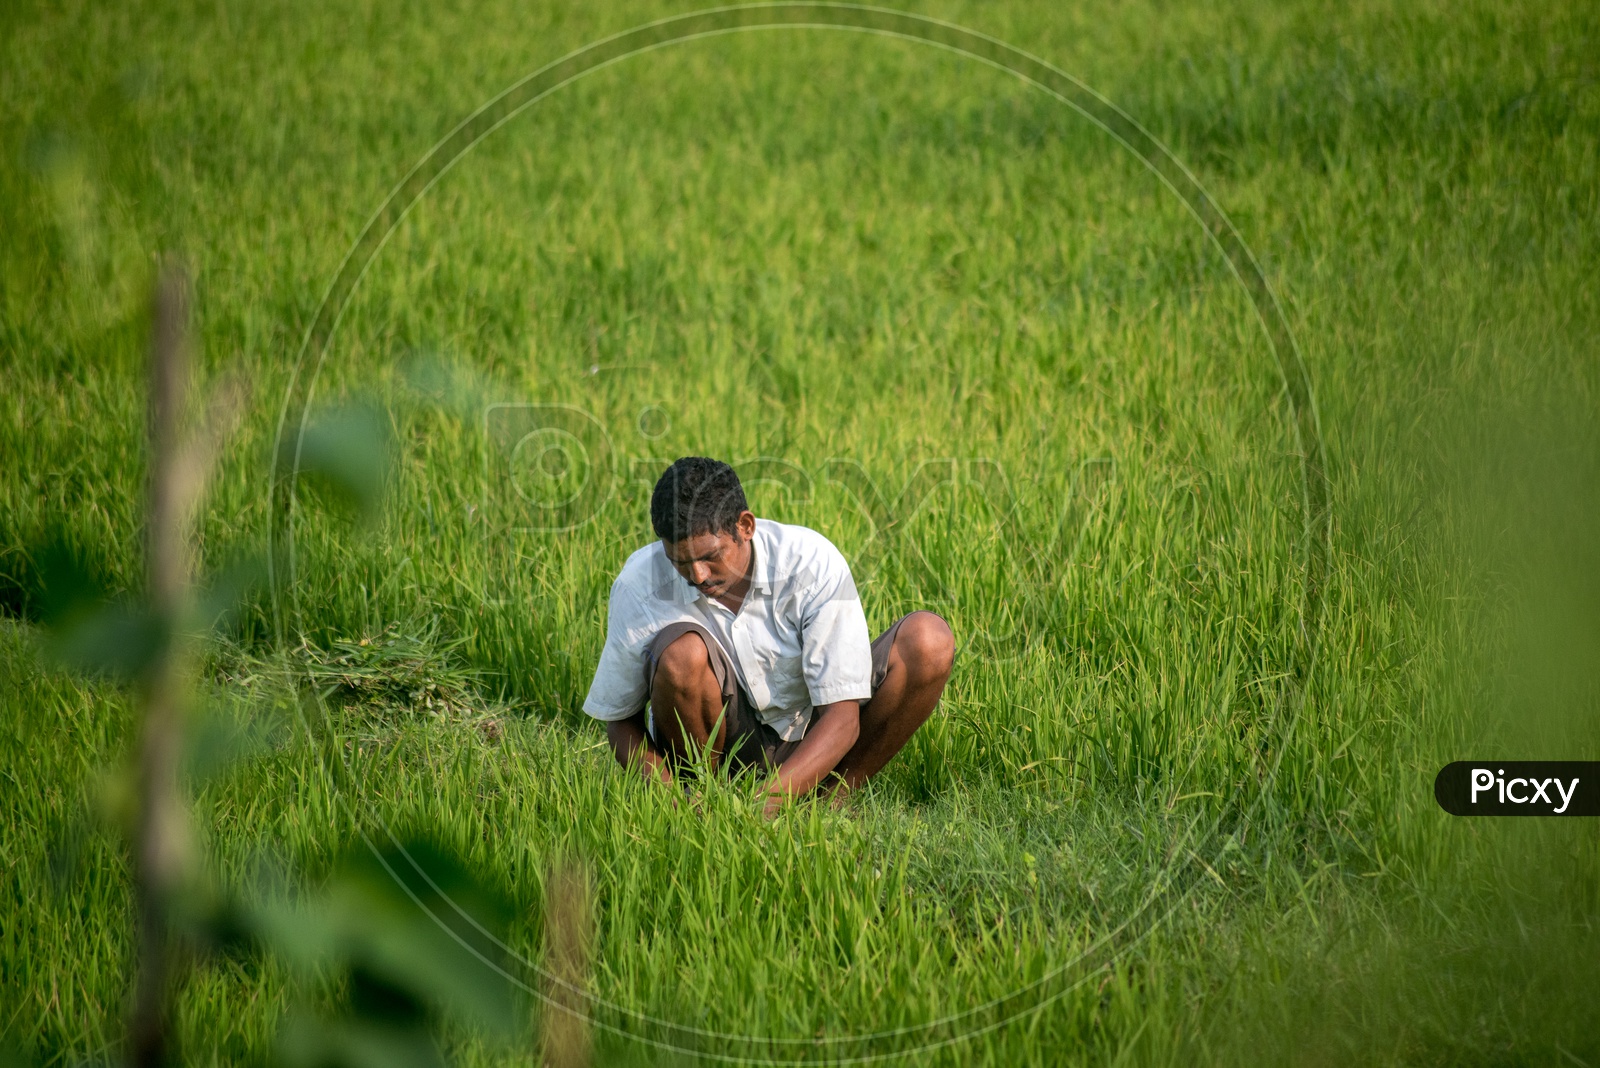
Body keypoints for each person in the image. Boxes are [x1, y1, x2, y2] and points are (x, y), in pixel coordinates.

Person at [583, 456, 955, 817]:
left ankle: (827, 805)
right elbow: (620, 720)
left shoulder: (811, 562)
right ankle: (705, 805)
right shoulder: (639, 583)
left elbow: (842, 717)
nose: (697, 575)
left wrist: (761, 806)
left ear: (745, 526)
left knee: (928, 641)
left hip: (814, 737)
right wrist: (672, 802)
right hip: (716, 751)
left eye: (711, 556)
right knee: (683, 656)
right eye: (679, 561)